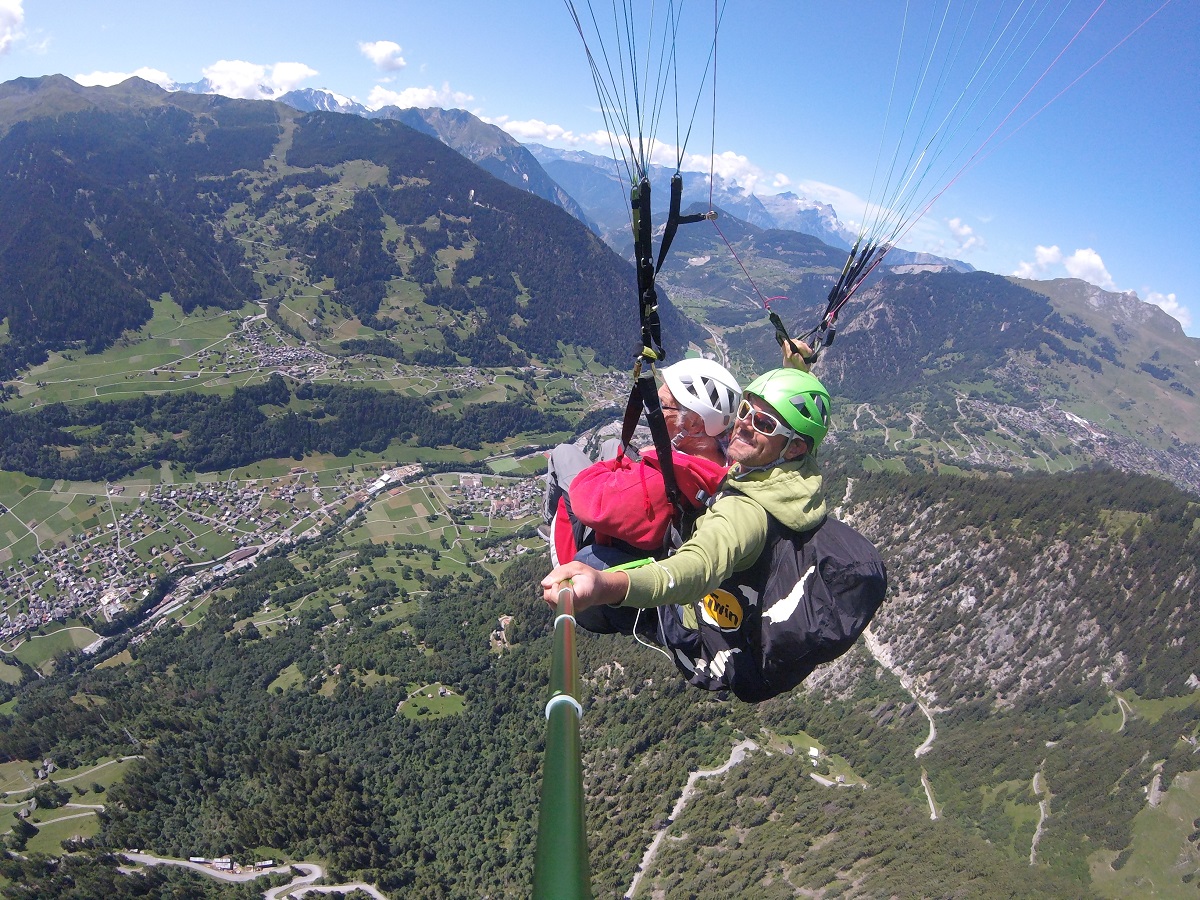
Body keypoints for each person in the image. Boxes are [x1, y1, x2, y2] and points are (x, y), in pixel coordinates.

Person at [541, 365, 830, 636]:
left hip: (662, 605)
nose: (743, 425)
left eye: (764, 423)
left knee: (565, 457)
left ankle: (558, 546)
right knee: (610, 446)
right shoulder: (771, 466)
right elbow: (791, 440)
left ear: (693, 424)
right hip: (671, 530)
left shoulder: (744, 511)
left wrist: (606, 586)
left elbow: (698, 566)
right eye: (745, 411)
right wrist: (796, 368)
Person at [542, 358, 741, 567]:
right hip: (664, 523)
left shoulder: (658, 480)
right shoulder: (727, 461)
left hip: (602, 535)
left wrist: (635, 463)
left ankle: (550, 523)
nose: (654, 411)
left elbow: (587, 499)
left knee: (563, 453)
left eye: (662, 405)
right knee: (611, 445)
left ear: (694, 424)